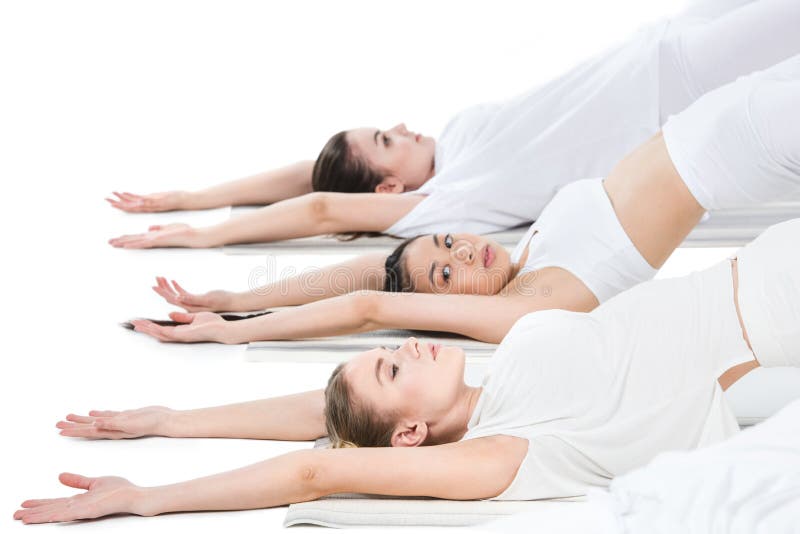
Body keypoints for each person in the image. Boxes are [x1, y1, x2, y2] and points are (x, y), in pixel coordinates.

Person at [14, 216, 800, 524]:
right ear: (412, 434)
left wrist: (172, 420)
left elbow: (333, 396)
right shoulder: (508, 453)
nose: (404, 348)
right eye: (392, 372)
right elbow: (318, 473)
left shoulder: (507, 367)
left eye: (384, 357)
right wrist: (147, 501)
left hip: (762, 262)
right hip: (773, 312)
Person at [130, 54, 800, 344]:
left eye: (447, 244)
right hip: (747, 141)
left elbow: (369, 269)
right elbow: (366, 302)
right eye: (449, 275)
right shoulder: (530, 306)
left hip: (728, 112)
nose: (464, 250)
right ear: (448, 304)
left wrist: (236, 298)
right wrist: (237, 328)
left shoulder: (528, 254)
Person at [107, 0, 799, 248]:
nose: (401, 128)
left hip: (664, 38)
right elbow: (321, 204)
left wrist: (192, 192)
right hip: (679, 84)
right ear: (384, 194)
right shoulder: (447, 201)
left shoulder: (454, 143)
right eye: (387, 141)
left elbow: (308, 176)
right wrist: (201, 231)